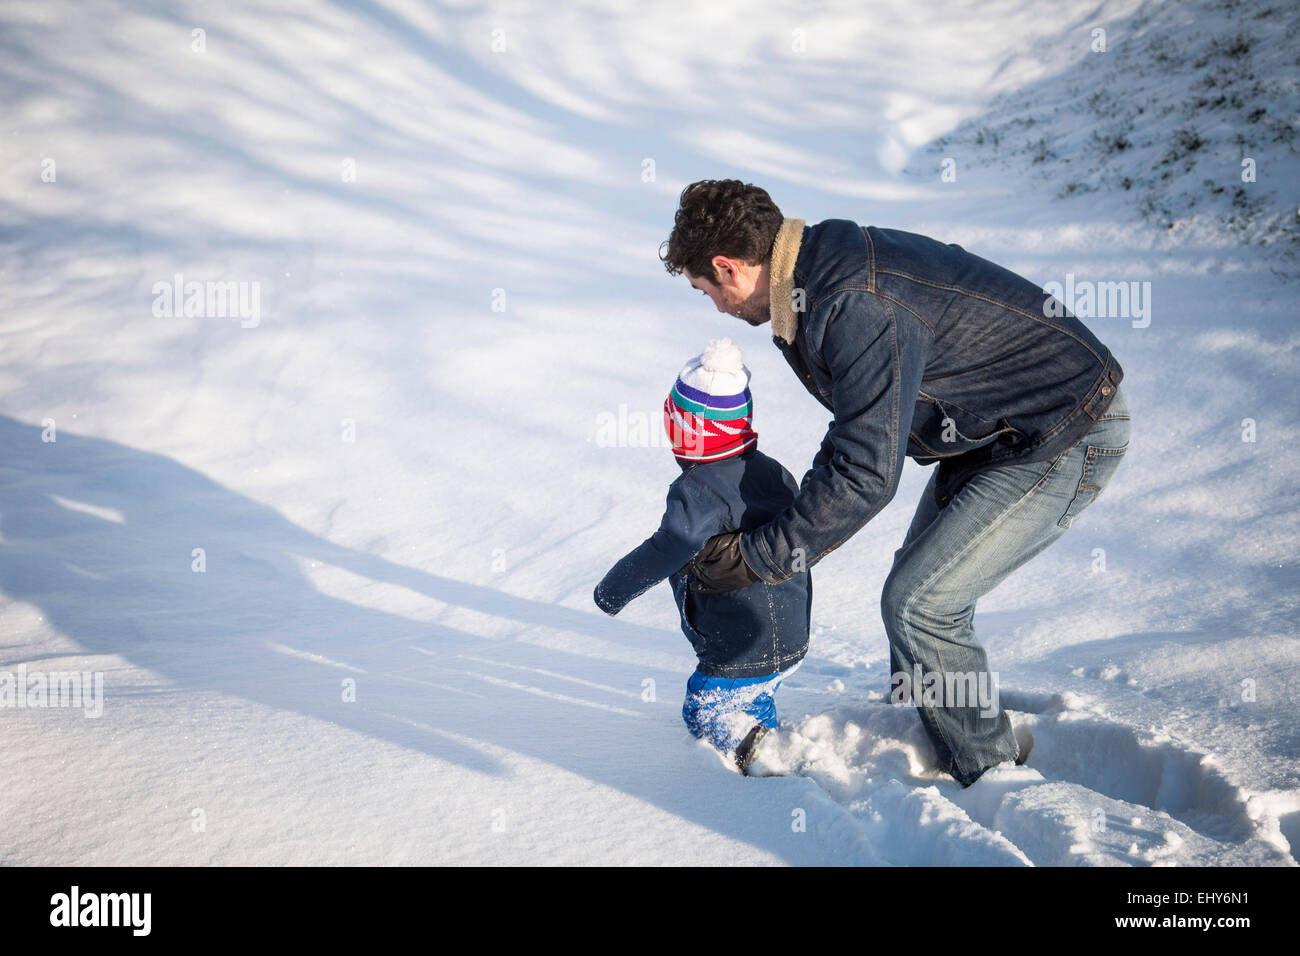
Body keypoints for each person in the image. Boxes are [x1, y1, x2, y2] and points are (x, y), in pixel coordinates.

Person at [661, 179, 1131, 787]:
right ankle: (916, 719)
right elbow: (861, 427)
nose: (718, 309)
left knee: (922, 602)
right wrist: (787, 531)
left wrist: (760, 556)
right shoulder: (811, 277)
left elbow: (865, 474)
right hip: (993, 428)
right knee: (915, 577)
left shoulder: (849, 300)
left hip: (1066, 427)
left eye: (707, 292)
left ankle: (991, 774)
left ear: (727, 267)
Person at [593, 337, 812, 774]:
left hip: (741, 643)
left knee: (705, 708)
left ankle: (761, 757)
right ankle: (768, 738)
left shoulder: (697, 492)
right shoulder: (772, 470)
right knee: (752, 695)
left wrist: (613, 590)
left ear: (690, 432)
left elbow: (669, 546)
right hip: (791, 633)